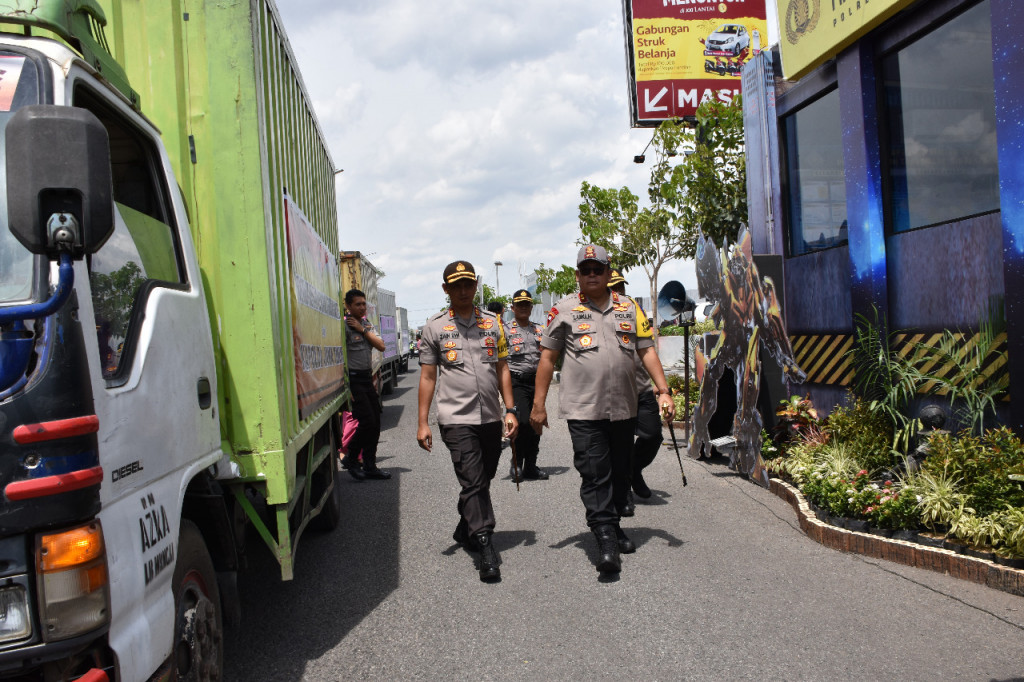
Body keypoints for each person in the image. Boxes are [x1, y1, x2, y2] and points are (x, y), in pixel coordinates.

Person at [531, 246, 675, 574]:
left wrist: (663, 391)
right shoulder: (563, 310)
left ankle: (612, 523)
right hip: (584, 410)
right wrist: (538, 406)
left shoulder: (629, 308)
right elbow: (547, 359)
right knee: (595, 472)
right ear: (577, 275)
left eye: (598, 269)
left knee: (620, 469)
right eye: (586, 270)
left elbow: (647, 350)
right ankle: (606, 538)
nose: (592, 274)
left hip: (625, 407)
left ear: (609, 273)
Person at [417, 260, 519, 582]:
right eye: (455, 285)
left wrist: (511, 410)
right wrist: (423, 422)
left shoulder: (493, 324)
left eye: (468, 284)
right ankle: (485, 544)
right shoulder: (434, 327)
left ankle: (465, 527)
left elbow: (503, 367)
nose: (463, 290)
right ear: (446, 289)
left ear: (476, 286)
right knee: (473, 480)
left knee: (483, 477)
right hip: (455, 418)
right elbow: (429, 377)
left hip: (489, 416)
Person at [608, 269, 661, 510]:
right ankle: (623, 489)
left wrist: (663, 390)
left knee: (652, 435)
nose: (619, 292)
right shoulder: (598, 317)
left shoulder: (633, 311)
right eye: (614, 288)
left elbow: (648, 349)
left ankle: (633, 470)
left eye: (621, 287)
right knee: (622, 443)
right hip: (616, 393)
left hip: (641, 387)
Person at [342, 289, 391, 480]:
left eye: (364, 304)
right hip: (353, 380)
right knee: (367, 421)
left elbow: (381, 346)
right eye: (357, 304)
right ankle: (352, 458)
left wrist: (363, 330)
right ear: (348, 306)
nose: (362, 307)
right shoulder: (343, 327)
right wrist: (346, 387)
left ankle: (370, 465)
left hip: (366, 378)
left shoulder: (365, 324)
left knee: (376, 421)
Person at [503, 289, 548, 481]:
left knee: (535, 423)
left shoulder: (540, 330)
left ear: (531, 307)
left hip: (536, 382)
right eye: (519, 304)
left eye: (526, 304)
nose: (523, 307)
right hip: (516, 381)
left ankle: (531, 466)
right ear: (512, 308)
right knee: (520, 422)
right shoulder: (504, 330)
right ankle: (516, 463)